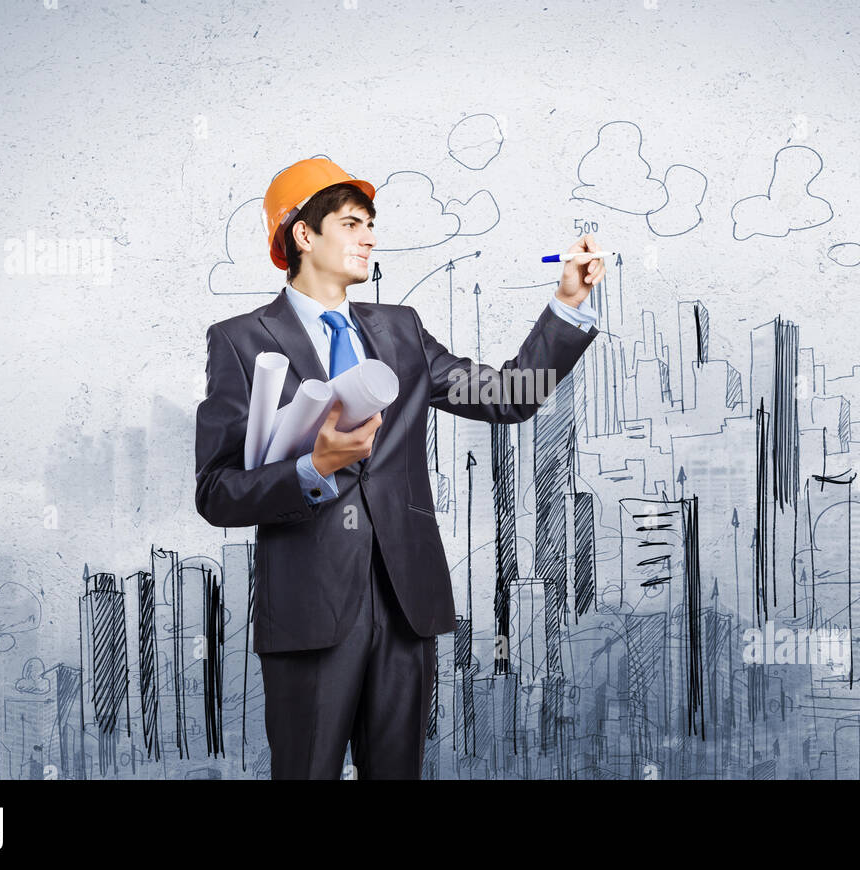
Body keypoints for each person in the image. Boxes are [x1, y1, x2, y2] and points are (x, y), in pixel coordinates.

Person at [194, 157, 603, 778]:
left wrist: (567, 305)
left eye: (371, 224)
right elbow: (217, 492)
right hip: (310, 610)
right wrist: (312, 468)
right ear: (303, 235)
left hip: (405, 601)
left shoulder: (400, 329)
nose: (370, 237)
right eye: (352, 223)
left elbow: (510, 395)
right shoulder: (240, 341)